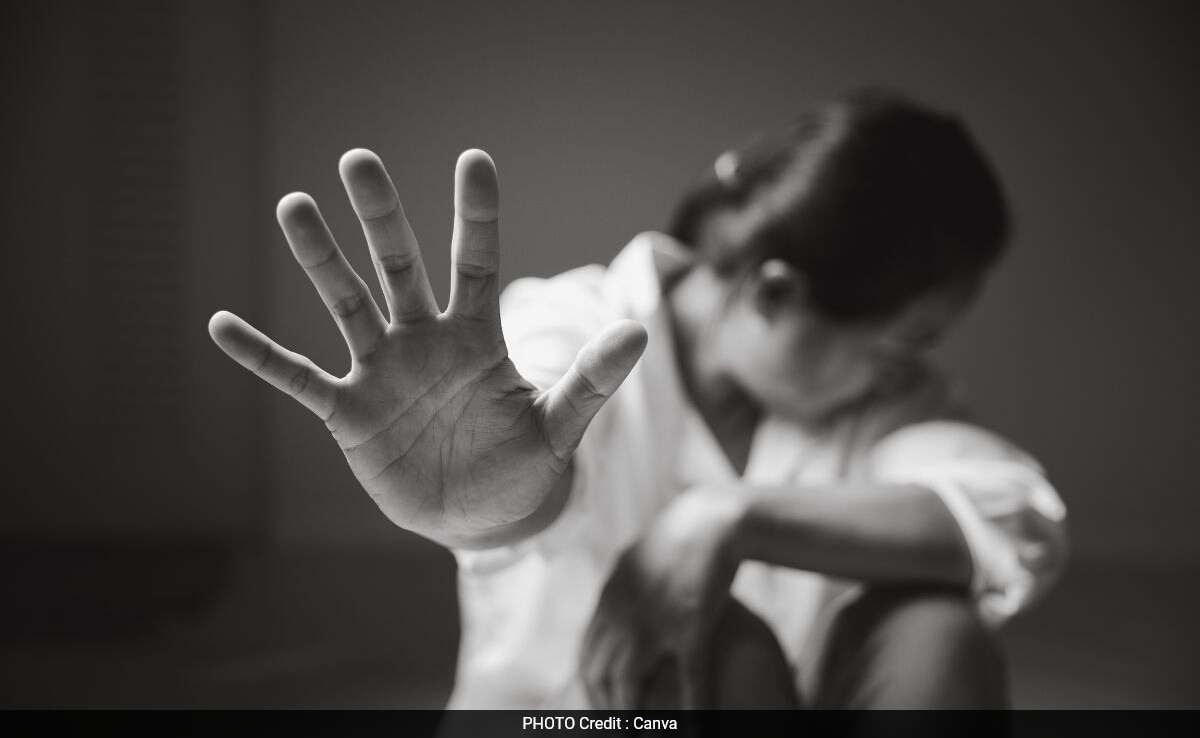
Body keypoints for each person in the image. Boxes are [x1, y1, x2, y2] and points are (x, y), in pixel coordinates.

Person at [208, 89, 1068, 710]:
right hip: (577, 718)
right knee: (717, 647)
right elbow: (531, 468)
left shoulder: (891, 406)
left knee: (937, 629)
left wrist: (727, 518)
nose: (900, 372)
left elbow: (1012, 514)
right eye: (897, 343)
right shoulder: (571, 327)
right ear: (775, 294)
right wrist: (489, 501)